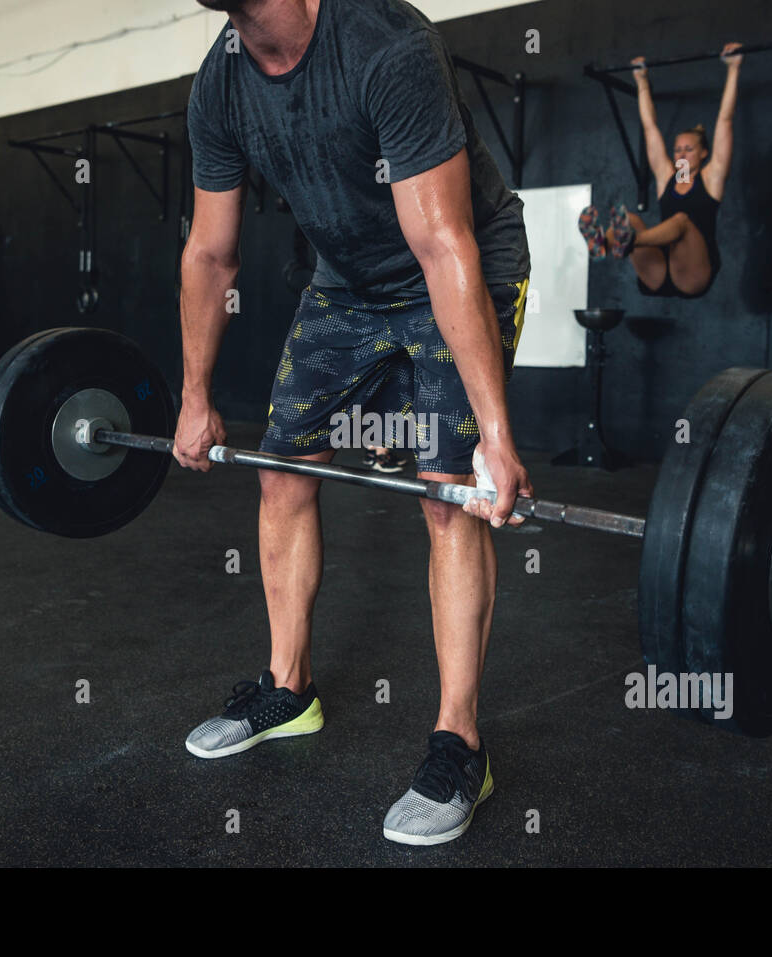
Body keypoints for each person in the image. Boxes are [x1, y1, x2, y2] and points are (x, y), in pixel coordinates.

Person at [176, 0, 532, 846]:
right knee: (281, 467)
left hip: (458, 261)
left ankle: (460, 744)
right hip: (345, 286)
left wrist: (495, 433)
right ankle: (287, 688)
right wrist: (193, 394)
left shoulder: (384, 44)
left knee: (448, 495)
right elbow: (209, 253)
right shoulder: (219, 83)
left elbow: (445, 246)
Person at [577, 43, 742, 299]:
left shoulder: (712, 178)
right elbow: (650, 128)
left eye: (689, 149)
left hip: (693, 274)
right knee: (629, 217)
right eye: (677, 150)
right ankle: (604, 245)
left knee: (681, 220)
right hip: (657, 272)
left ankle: (629, 242)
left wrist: (734, 69)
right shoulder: (668, 178)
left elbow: (725, 120)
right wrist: (641, 80)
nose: (682, 154)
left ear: (704, 154)